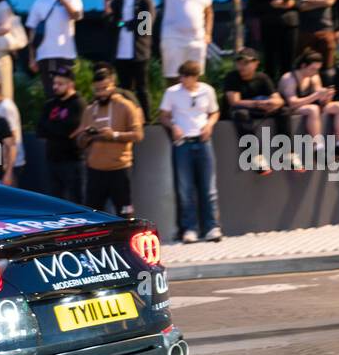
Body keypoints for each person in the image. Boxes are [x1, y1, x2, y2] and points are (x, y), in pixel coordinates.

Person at [158, 61, 220, 242]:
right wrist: (173, 126)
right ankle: (189, 228)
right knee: (185, 188)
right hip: (182, 143)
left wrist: (209, 124)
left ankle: (211, 227)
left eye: (187, 76)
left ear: (195, 77)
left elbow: (215, 112)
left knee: (209, 187)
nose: (183, 80)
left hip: (203, 141)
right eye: (182, 76)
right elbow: (163, 116)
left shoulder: (207, 90)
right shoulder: (172, 93)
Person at [79, 67, 144, 218]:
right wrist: (86, 136)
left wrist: (114, 135)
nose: (101, 93)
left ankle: (128, 241)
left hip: (119, 169)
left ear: (113, 85)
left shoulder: (126, 106)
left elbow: (139, 135)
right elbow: (80, 142)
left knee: (125, 214)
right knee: (92, 216)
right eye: (97, 90)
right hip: (95, 170)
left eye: (104, 88)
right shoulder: (89, 109)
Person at [278, 50, 339, 170]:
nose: (315, 72)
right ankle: (317, 147)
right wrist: (315, 96)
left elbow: (321, 101)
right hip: (290, 109)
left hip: (309, 105)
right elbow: (292, 103)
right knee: (313, 109)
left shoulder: (314, 77)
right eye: (313, 69)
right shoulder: (289, 78)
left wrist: (326, 96)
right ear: (303, 66)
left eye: (317, 69)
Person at [103, 0, 156, 117]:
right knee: (125, 88)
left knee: (142, 87)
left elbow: (144, 26)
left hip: (139, 51)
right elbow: (110, 23)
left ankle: (146, 118)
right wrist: (107, 7)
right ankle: (128, 117)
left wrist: (124, 23)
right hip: (120, 52)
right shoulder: (119, 0)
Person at [223, 48, 285, 174]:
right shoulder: (232, 77)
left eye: (246, 63)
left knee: (284, 110)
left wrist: (273, 103)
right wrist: (258, 103)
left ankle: (286, 152)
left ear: (256, 63)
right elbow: (234, 101)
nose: (241, 66)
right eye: (239, 63)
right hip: (237, 113)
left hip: (257, 110)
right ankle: (255, 157)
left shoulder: (262, 78)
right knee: (242, 113)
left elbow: (279, 100)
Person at [26, 0, 84, 93]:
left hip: (65, 53)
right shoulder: (39, 1)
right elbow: (32, 30)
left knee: (67, 91)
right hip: (45, 54)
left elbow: (76, 15)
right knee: (50, 92)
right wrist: (31, 57)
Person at [36, 68, 86, 202]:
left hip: (71, 160)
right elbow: (40, 129)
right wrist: (57, 128)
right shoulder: (50, 104)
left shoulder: (78, 103)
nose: (55, 87)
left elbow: (68, 130)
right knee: (55, 201)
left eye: (60, 84)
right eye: (54, 83)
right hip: (52, 159)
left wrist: (52, 127)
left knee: (76, 200)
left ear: (70, 85)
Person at [250, 0, 300, 83]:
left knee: (288, 62)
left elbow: (301, 0)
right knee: (270, 61)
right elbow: (252, 6)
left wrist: (292, 3)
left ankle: (289, 90)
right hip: (270, 25)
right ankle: (271, 90)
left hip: (290, 25)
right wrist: (270, 4)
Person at [296, 0, 339, 83]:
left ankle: (327, 93)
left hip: (325, 29)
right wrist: (321, 2)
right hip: (305, 30)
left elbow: (330, 0)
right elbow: (299, 6)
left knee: (327, 66)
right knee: (304, 65)